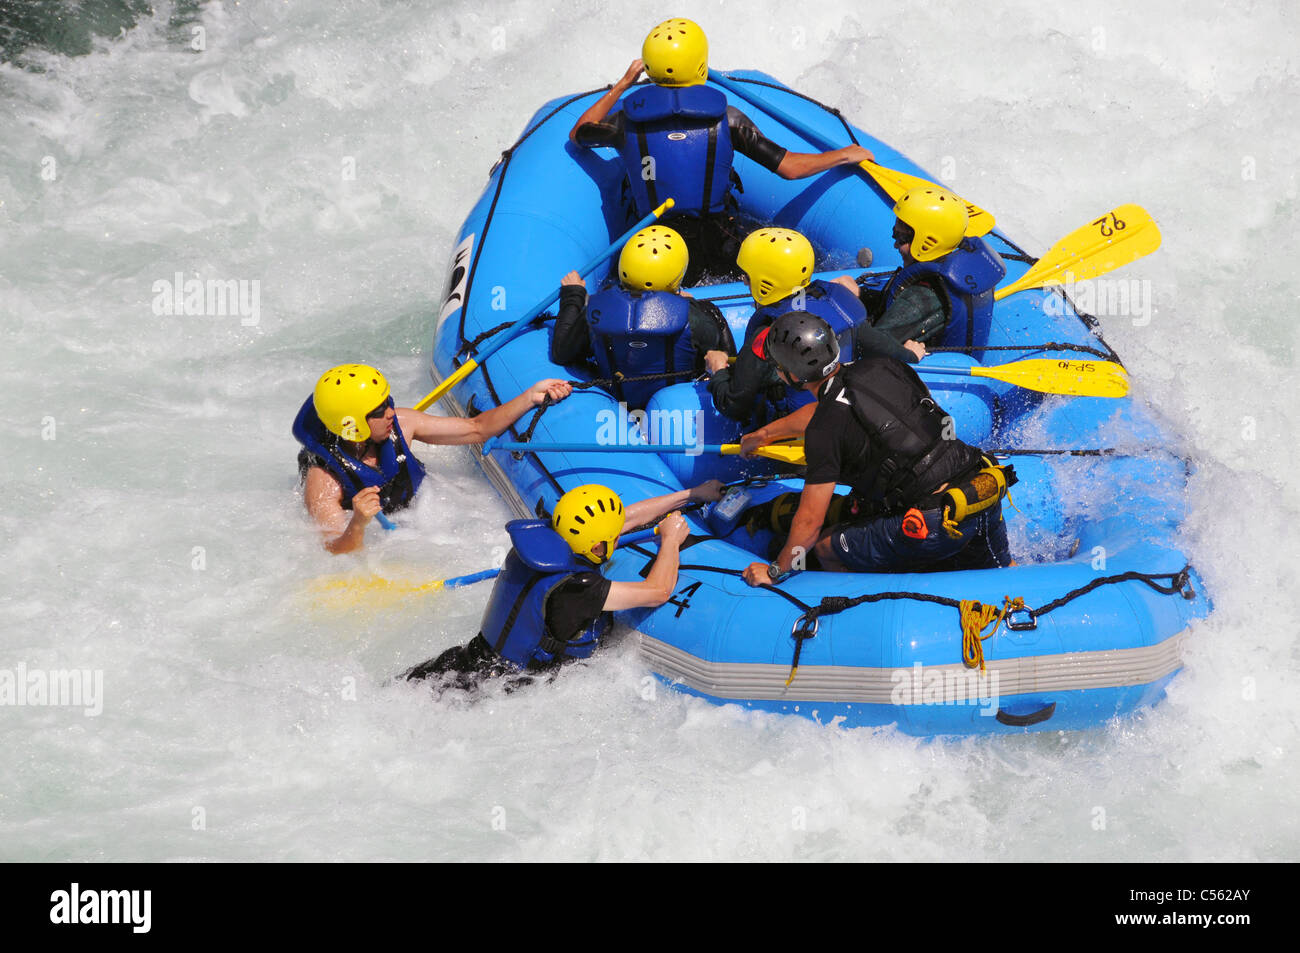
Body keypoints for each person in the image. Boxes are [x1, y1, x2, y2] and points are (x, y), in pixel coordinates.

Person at [568, 18, 874, 283]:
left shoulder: (623, 122)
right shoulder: (729, 119)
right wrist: (843, 154)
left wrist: (622, 84)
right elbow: (790, 168)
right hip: (718, 243)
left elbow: (579, 133)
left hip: (652, 247)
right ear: (700, 65)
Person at [739, 312, 1013, 587]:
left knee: (824, 547)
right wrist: (764, 434)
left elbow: (810, 523)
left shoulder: (824, 430)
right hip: (981, 488)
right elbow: (830, 408)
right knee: (1001, 568)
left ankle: (867, 603)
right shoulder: (882, 366)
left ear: (794, 375)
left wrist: (775, 571)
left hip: (932, 521)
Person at [404, 479, 724, 690]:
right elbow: (658, 591)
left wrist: (691, 495)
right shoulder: (579, 587)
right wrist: (671, 540)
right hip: (501, 690)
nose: (618, 536)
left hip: (462, 662)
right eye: (611, 539)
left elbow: (624, 519)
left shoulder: (547, 537)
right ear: (598, 547)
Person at [293, 364, 573, 554]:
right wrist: (357, 523)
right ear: (352, 424)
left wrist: (530, 397)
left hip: (430, 513)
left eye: (388, 401)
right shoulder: (324, 481)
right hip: (392, 542)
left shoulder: (402, 420)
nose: (391, 412)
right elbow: (334, 551)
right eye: (379, 410)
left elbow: (476, 428)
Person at [704, 227, 926, 426]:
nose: (744, 281)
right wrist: (909, 354)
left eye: (747, 276)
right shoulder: (835, 306)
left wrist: (719, 371)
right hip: (848, 416)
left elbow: (734, 405)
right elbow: (876, 342)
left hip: (801, 430)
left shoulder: (767, 335)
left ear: (765, 283)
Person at [551, 225, 735, 409]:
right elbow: (720, 354)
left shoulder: (596, 311)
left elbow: (562, 353)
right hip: (676, 407)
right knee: (710, 311)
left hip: (617, 401)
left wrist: (573, 295)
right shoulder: (693, 317)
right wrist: (695, 306)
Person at [858, 187, 1007, 349]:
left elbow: (867, 348)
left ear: (928, 242)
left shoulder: (921, 298)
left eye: (901, 238)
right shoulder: (964, 268)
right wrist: (858, 294)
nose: (895, 244)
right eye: (895, 234)